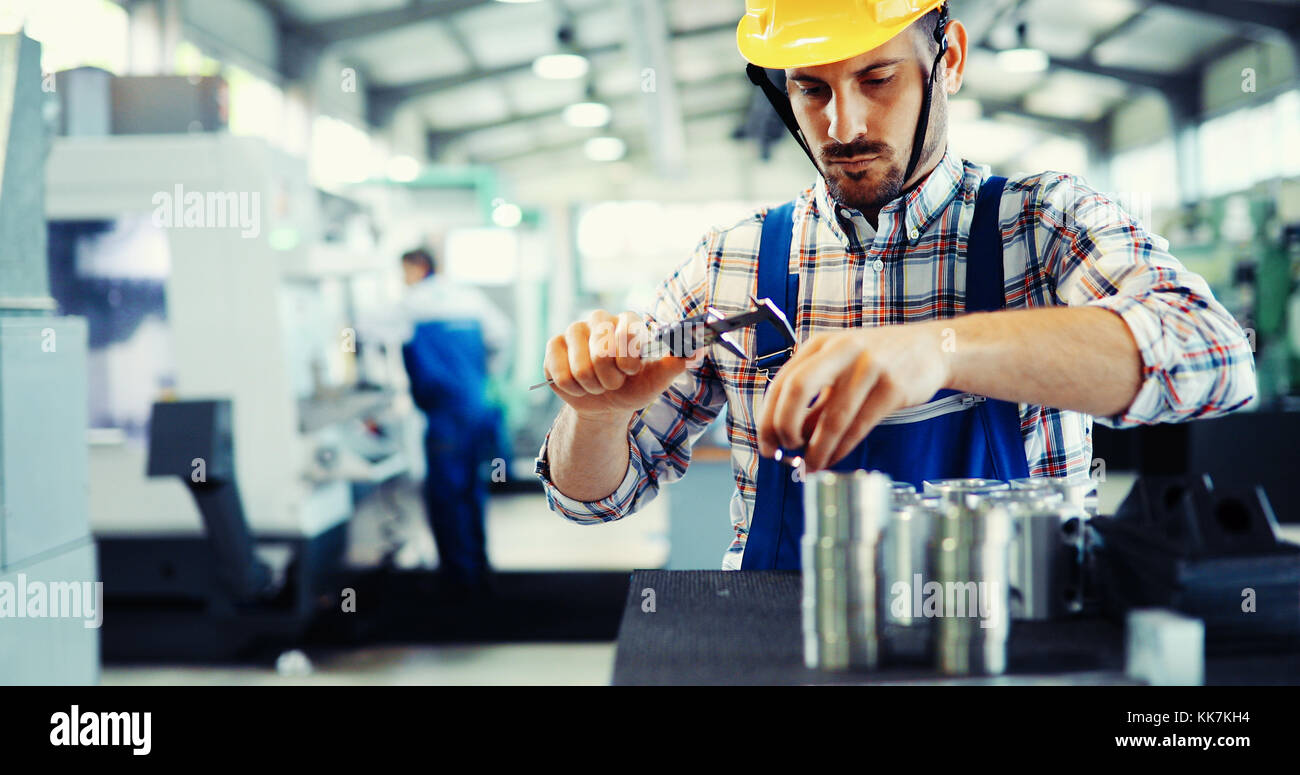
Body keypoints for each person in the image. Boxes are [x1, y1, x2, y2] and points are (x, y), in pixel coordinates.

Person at [533, 0, 1256, 570]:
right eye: (811, 89)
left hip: (1018, 644)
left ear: (950, 60)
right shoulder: (733, 262)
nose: (842, 125)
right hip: (793, 647)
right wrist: (597, 416)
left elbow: (1216, 357)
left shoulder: (1043, 225)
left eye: (876, 78)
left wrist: (941, 350)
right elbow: (591, 503)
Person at [379, 247, 510, 587]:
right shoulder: (469, 298)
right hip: (476, 406)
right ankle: (479, 569)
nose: (403, 279)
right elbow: (502, 335)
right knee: (471, 489)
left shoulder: (410, 304)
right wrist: (484, 377)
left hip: (443, 413)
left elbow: (369, 332)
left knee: (445, 494)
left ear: (418, 267)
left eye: (404, 271)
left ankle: (457, 580)